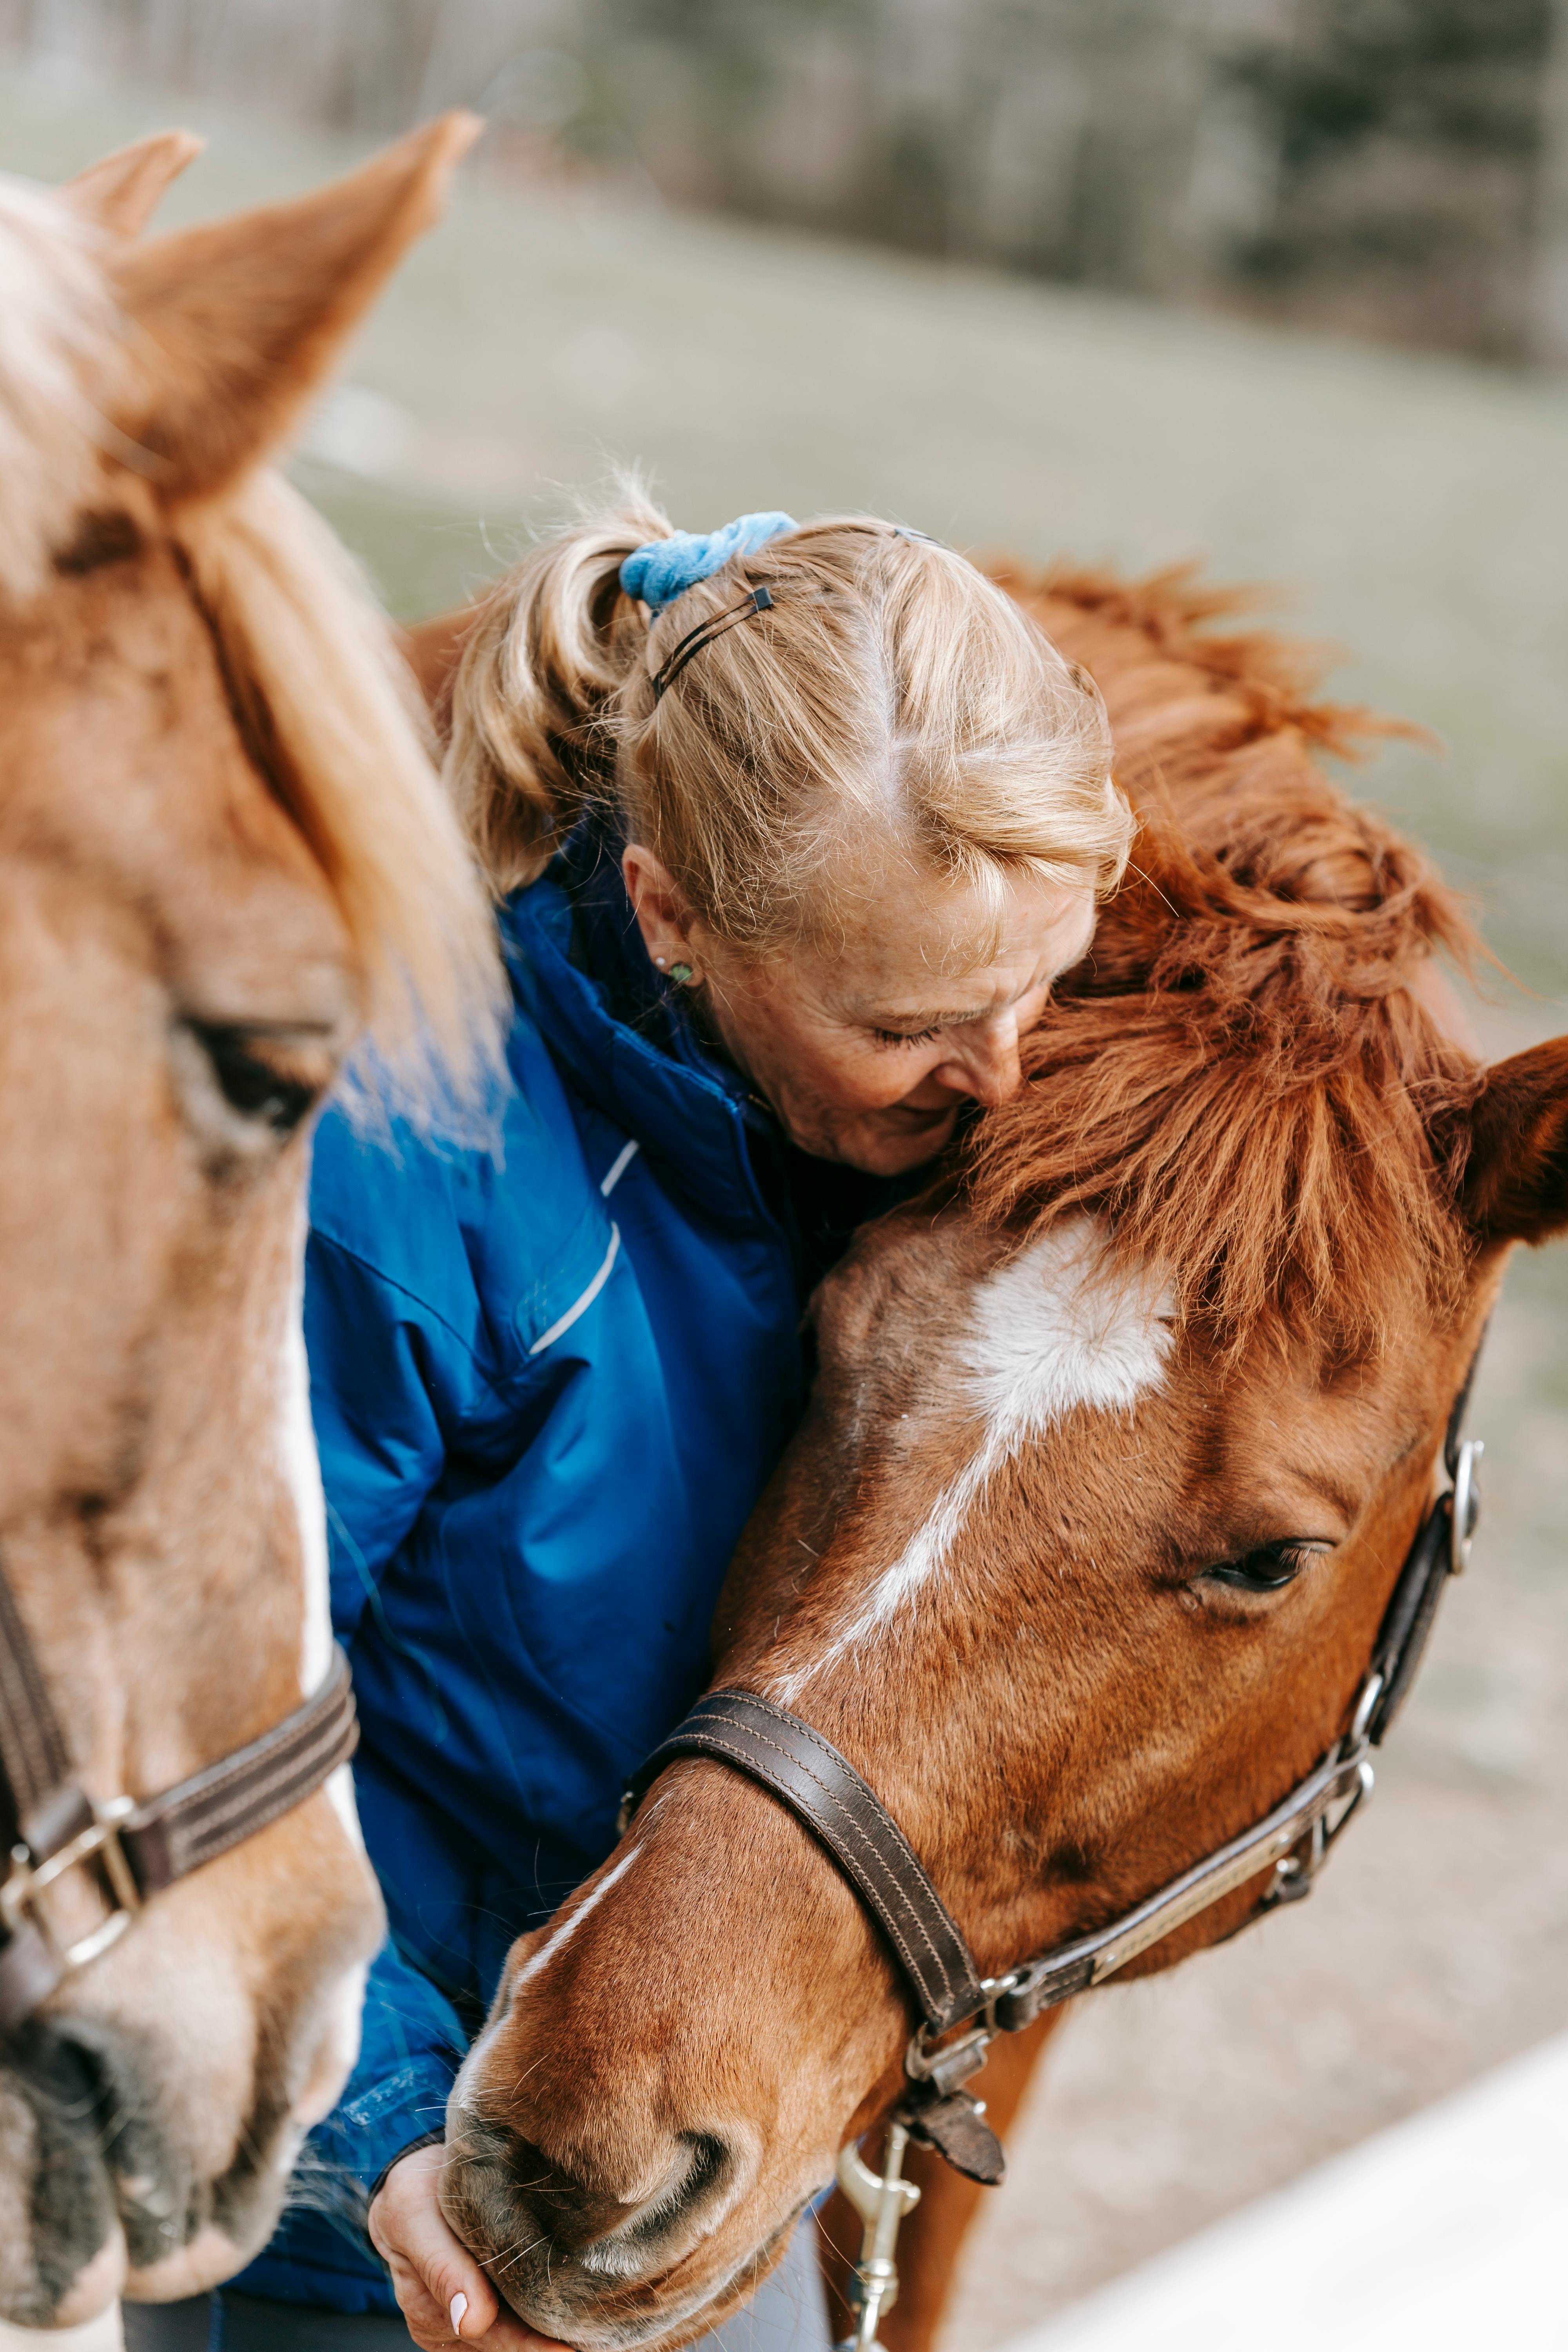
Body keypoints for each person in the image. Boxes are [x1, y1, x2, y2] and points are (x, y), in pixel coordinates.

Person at [134, 503, 1129, 2352]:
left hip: (699, 2100)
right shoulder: (396, 1182)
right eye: (914, 1019)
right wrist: (383, 2148)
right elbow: (196, 1740)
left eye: (1044, 983)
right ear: (670, 914)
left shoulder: (883, 1113)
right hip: (398, 2200)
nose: (1002, 1073)